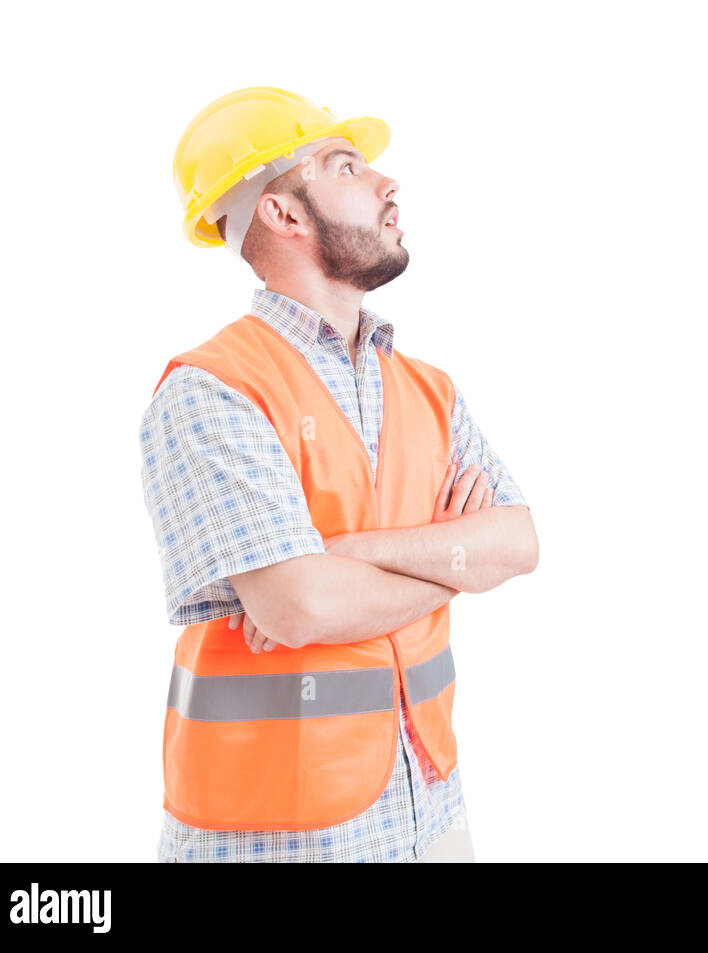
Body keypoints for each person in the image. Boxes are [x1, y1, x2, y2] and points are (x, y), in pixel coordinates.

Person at [139, 88, 538, 862]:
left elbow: (518, 541)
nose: (389, 185)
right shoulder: (212, 390)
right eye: (346, 165)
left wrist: (347, 553)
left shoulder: (428, 387)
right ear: (283, 215)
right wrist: (457, 566)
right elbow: (298, 607)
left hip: (431, 809)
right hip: (279, 836)